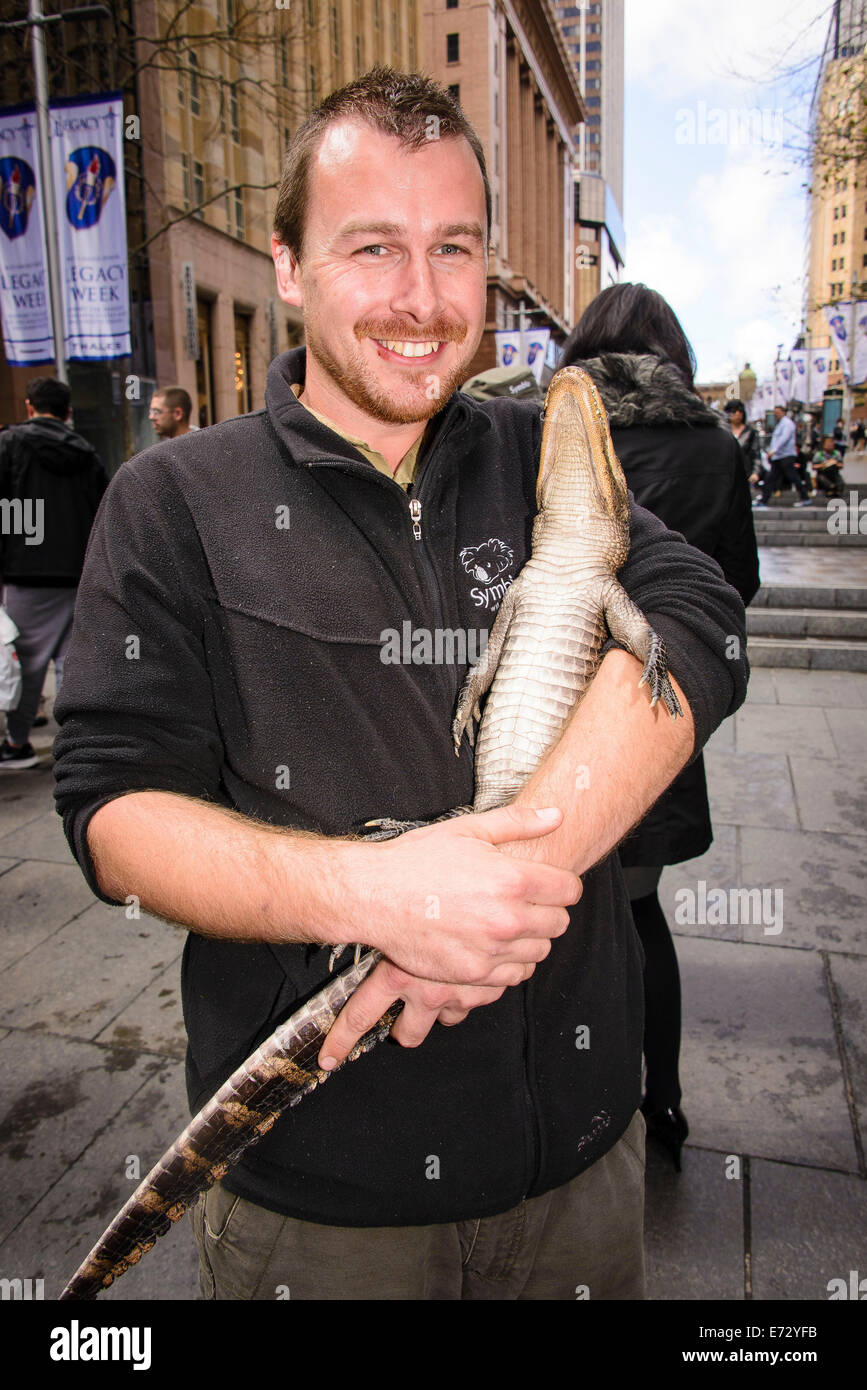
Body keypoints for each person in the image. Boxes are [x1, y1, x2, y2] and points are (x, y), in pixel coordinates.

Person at [53, 69, 748, 1301]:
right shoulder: (170, 502)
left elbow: (702, 621)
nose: (422, 301)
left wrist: (495, 884)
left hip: (580, 1174)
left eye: (454, 249)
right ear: (287, 263)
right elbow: (111, 814)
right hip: (319, 1211)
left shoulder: (543, 452)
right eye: (372, 247)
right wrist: (378, 894)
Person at [559, 283, 759, 1171]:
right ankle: (661, 1102)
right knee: (639, 915)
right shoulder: (715, 446)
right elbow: (736, 584)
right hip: (656, 707)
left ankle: (566, 1105)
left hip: (554, 710)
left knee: (548, 922)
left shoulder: (545, 431)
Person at [0, 377, 107, 769]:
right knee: (70, 662)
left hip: (27, 571)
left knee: (24, 661)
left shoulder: (10, 444)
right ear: (68, 412)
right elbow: (100, 516)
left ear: (30, 406)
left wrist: (19, 543)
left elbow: (9, 505)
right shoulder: (88, 455)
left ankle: (17, 743)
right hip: (78, 571)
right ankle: (72, 746)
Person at [755, 405, 812, 507]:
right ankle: (764, 500)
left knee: (793, 477)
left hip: (786, 455)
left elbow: (784, 438)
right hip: (779, 456)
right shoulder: (780, 424)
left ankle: (805, 497)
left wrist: (774, 450)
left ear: (783, 412)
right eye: (775, 412)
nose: (776, 414)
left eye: (778, 412)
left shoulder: (787, 424)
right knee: (771, 478)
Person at [723, 398, 761, 484]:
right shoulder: (723, 431)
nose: (737, 414)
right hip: (726, 473)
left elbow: (756, 453)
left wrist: (756, 473)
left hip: (745, 472)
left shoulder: (750, 432)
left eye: (740, 411)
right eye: (734, 411)